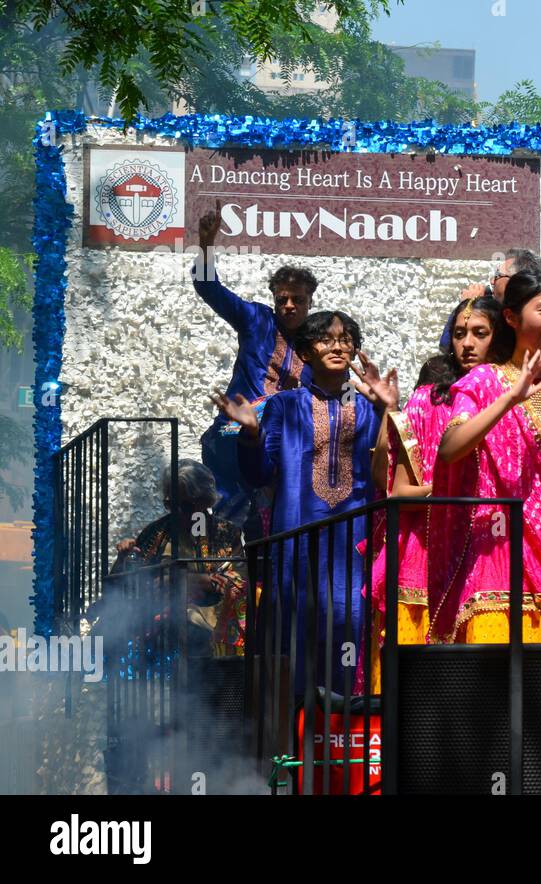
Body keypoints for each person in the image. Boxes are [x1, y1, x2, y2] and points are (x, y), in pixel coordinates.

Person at [215, 310, 398, 692]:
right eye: (326, 339)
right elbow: (259, 475)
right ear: (305, 352)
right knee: (293, 626)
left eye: (346, 339)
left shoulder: (368, 405)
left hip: (354, 538)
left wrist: (388, 410)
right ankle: (293, 731)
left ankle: (346, 721)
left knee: (349, 621)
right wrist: (249, 435)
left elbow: (393, 472)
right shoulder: (284, 405)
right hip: (296, 538)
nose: (337, 346)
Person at [359, 293, 502, 689]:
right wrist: (389, 411)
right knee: (414, 679)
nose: (467, 344)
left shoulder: (517, 394)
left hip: (492, 548)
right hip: (423, 549)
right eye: (460, 334)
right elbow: (394, 488)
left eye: (479, 333)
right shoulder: (429, 400)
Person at [433, 269, 541, 644]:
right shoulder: (483, 381)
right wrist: (510, 398)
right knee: (497, 676)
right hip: (500, 547)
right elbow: (450, 448)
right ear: (511, 318)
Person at [193, 206, 318, 530]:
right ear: (274, 300)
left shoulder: (318, 342)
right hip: (233, 440)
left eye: (297, 300)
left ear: (309, 303)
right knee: (226, 527)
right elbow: (210, 290)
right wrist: (207, 244)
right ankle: (226, 577)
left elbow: (339, 385)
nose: (289, 306)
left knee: (274, 528)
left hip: (279, 447)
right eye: (282, 299)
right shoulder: (256, 320)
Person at [110, 459, 247, 657]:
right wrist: (123, 558)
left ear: (205, 501)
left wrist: (202, 582)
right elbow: (121, 586)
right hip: (156, 620)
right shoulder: (156, 533)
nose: (179, 513)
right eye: (171, 504)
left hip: (208, 620)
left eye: (186, 506)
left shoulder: (226, 533)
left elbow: (240, 580)